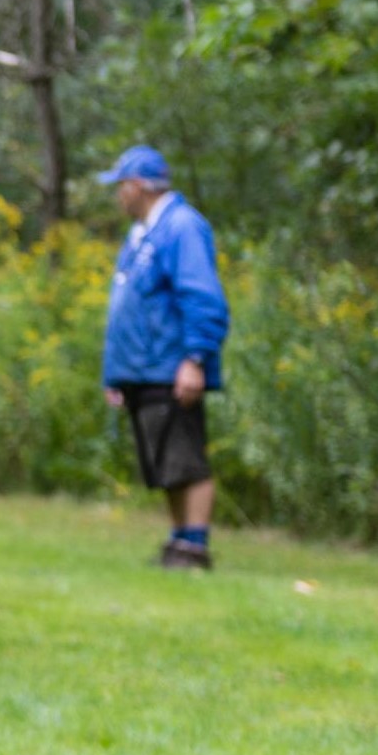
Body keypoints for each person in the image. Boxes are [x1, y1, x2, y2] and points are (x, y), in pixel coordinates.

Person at [98, 144, 230, 570]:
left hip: (171, 367)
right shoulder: (143, 233)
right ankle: (178, 543)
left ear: (137, 186)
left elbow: (202, 297)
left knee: (186, 460)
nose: (118, 195)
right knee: (165, 463)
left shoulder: (181, 227)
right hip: (142, 369)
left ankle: (195, 548)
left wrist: (194, 358)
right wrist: (116, 375)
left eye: (120, 186)